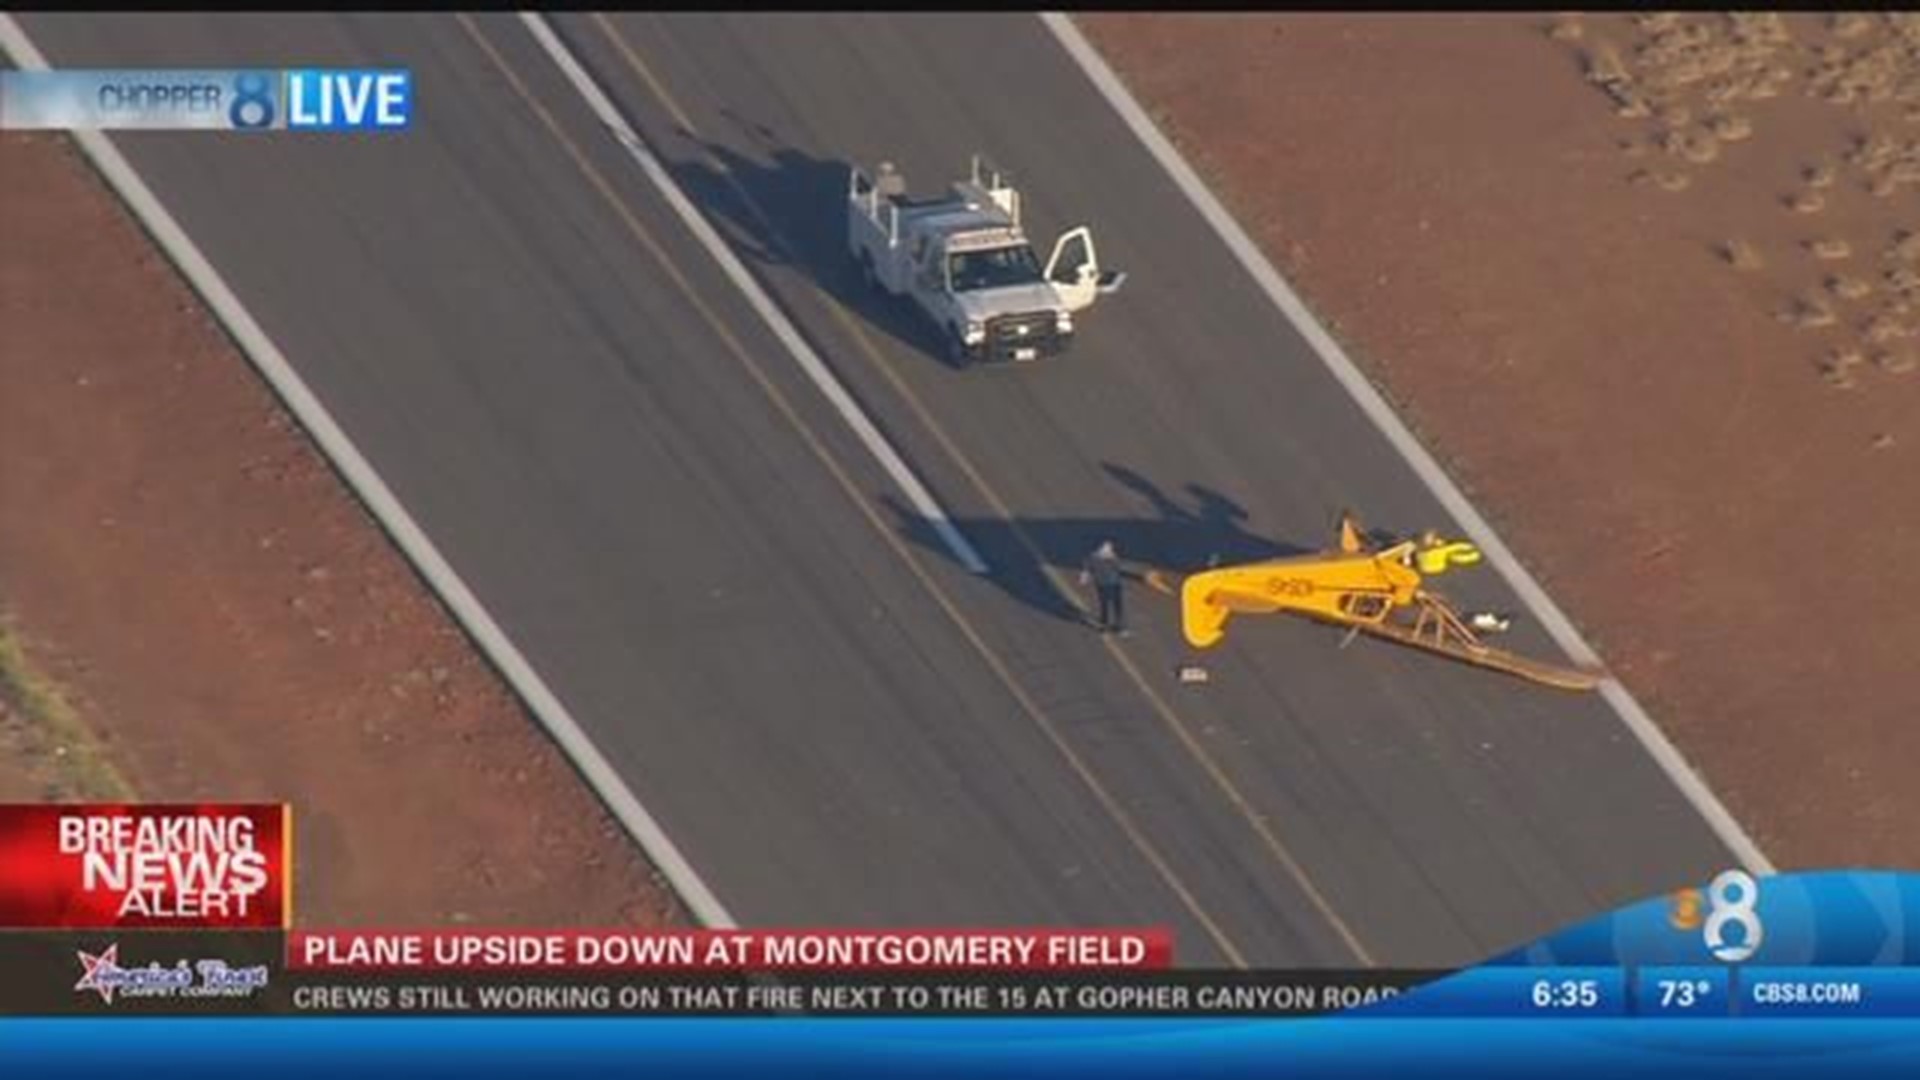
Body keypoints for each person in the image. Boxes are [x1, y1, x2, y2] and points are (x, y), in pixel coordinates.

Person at [1080, 539, 1127, 635]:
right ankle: (1104, 624)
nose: (1109, 551)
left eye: (1110, 549)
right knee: (1105, 604)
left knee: (1117, 604)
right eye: (1107, 549)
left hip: (1115, 583)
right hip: (1103, 584)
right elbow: (1087, 568)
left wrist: (1113, 559)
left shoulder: (1112, 558)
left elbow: (1119, 567)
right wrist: (1084, 578)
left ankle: (1119, 626)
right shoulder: (1093, 557)